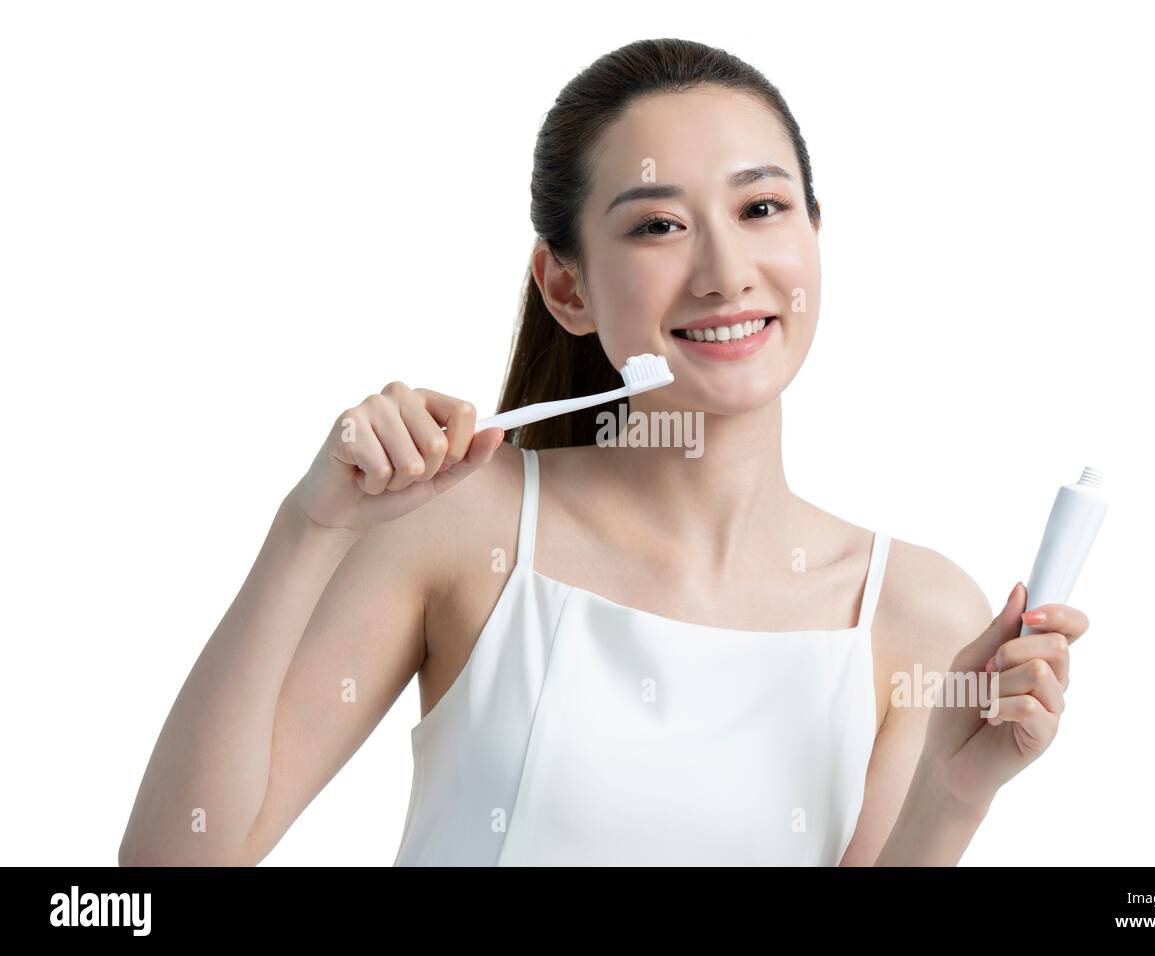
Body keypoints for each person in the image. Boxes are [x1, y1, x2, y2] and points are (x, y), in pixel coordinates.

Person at [119, 37, 1088, 867]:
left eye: (760, 208)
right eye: (659, 225)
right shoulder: (462, 519)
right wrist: (309, 526)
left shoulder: (919, 615)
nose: (725, 271)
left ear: (814, 235)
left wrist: (955, 798)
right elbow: (172, 862)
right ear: (566, 286)